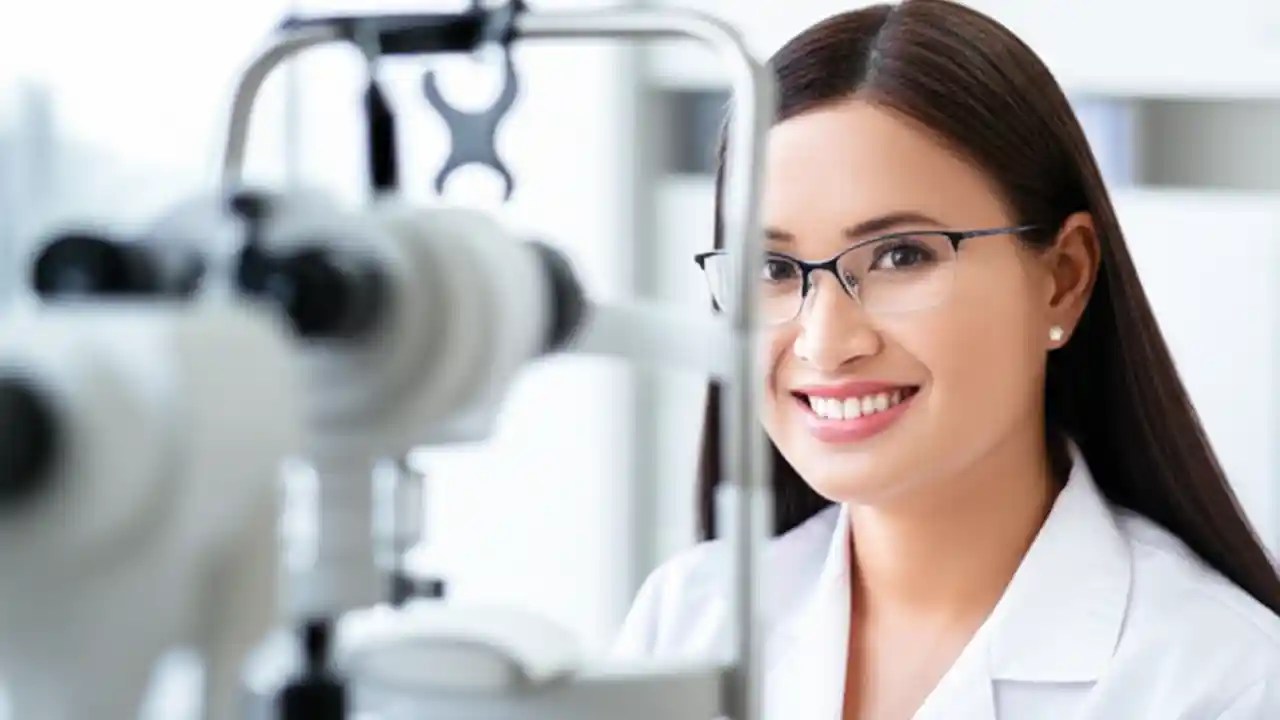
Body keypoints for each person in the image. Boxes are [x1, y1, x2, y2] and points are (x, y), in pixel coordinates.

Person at [611, 1, 1280, 718]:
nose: (825, 342)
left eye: (902, 256)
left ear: (1063, 278)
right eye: (771, 267)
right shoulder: (689, 619)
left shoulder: (1221, 679)